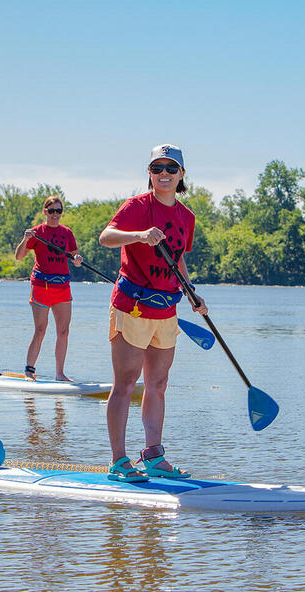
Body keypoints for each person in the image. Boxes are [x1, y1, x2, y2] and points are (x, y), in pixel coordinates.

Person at [98, 143, 208, 482]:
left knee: (158, 384)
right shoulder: (136, 207)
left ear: (181, 175)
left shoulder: (186, 217)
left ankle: (154, 456)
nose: (164, 173)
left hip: (166, 309)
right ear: (149, 173)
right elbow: (106, 237)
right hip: (132, 305)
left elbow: (178, 259)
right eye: (157, 168)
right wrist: (140, 235)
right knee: (126, 383)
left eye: (171, 168)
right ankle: (119, 461)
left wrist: (191, 292)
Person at [14, 195, 84, 381]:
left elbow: (75, 257)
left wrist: (77, 260)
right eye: (51, 211)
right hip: (41, 286)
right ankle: (29, 371)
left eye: (58, 211)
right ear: (45, 212)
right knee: (40, 329)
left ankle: (60, 374)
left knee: (63, 331)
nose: (55, 214)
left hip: (62, 287)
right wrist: (25, 239)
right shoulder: (37, 232)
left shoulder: (67, 233)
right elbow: (19, 256)